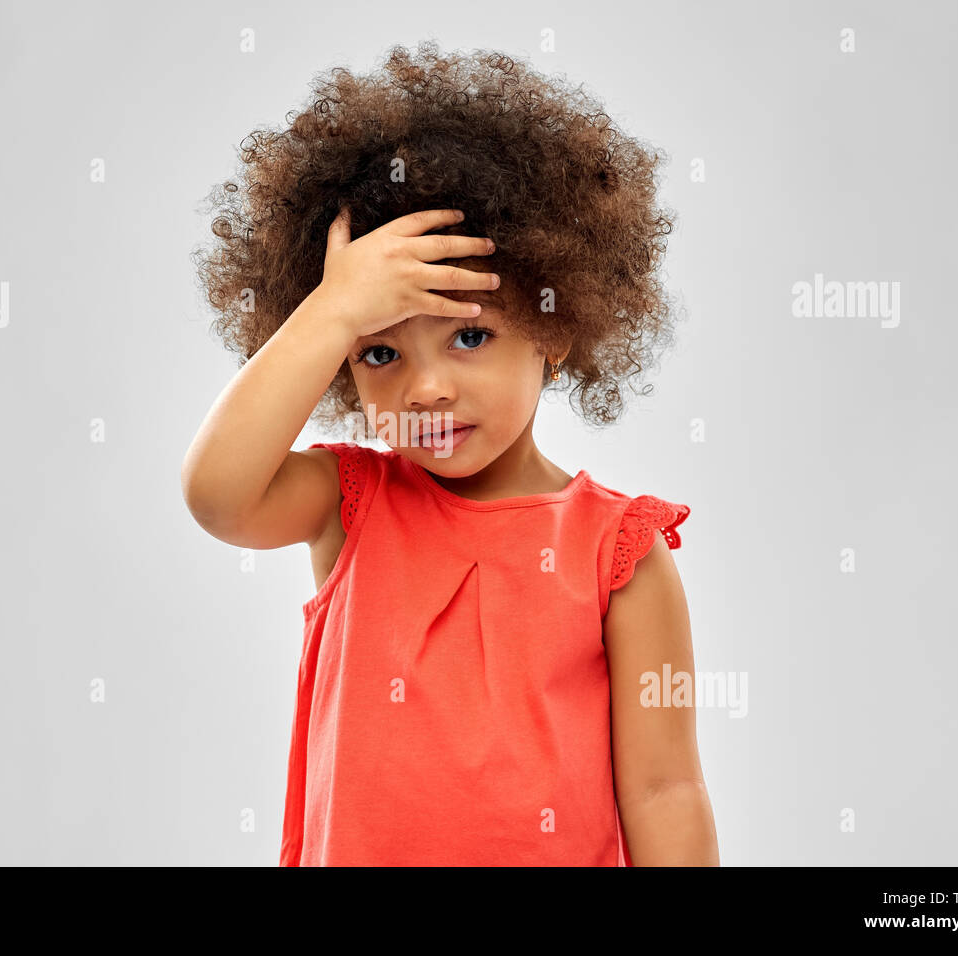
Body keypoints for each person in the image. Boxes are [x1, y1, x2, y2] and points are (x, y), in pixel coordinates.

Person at [183, 42, 718, 866]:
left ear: (556, 327)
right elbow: (217, 495)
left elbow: (664, 789)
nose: (425, 390)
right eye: (380, 354)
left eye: (469, 336)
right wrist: (333, 312)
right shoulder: (348, 503)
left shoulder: (620, 555)